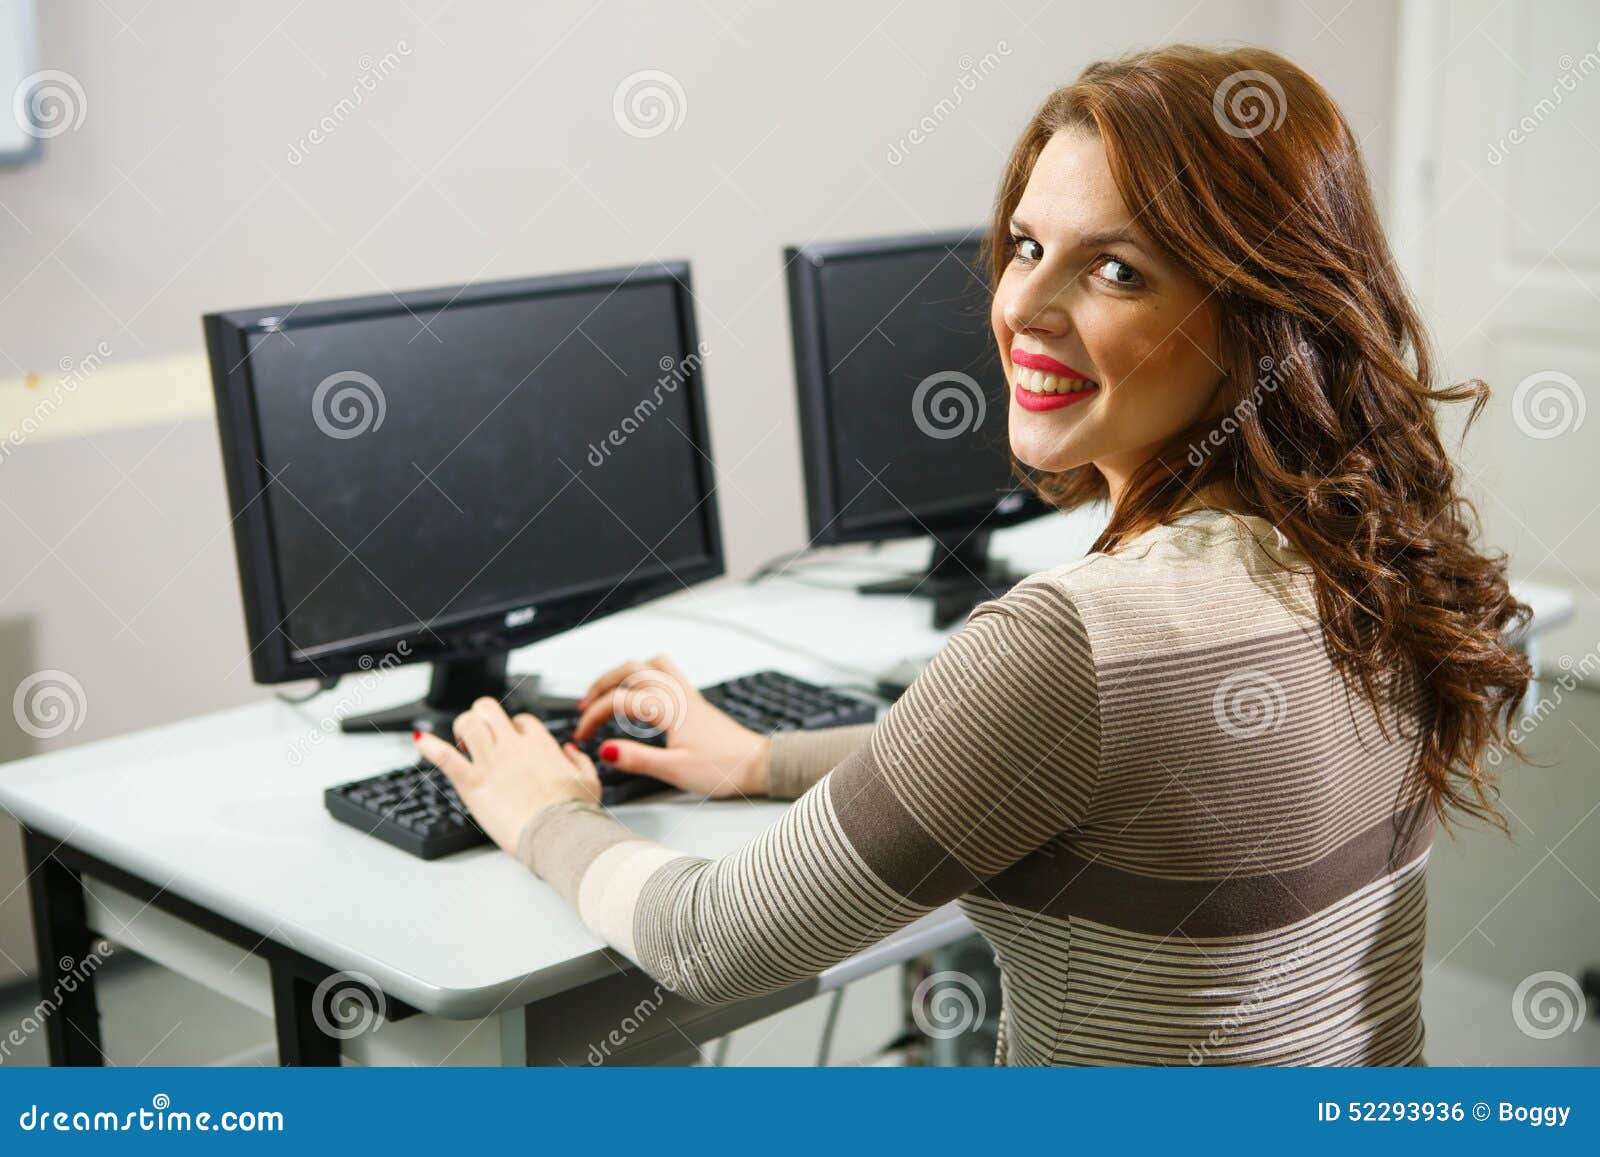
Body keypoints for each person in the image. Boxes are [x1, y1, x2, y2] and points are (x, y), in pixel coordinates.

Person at [412, 44, 1530, 1065]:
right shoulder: (1373, 555)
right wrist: (761, 760)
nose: (1021, 307)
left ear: (1256, 319)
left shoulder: (1074, 645)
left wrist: (543, 810)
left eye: (1117, 271)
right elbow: (1072, 755)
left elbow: (711, 940)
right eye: (1028, 247)